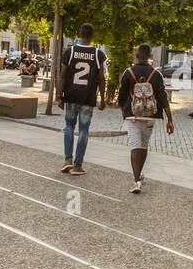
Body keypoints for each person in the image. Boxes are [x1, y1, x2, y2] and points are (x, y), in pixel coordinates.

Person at [117, 43, 172, 193]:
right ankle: (139, 174)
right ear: (149, 57)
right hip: (150, 115)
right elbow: (162, 97)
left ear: (137, 55)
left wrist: (123, 109)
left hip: (133, 115)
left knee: (135, 145)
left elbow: (121, 95)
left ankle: (136, 181)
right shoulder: (156, 74)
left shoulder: (128, 72)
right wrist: (170, 119)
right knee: (144, 145)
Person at [57, 23, 107, 176]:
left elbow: (63, 75)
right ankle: (78, 166)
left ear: (79, 35)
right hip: (88, 96)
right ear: (92, 36)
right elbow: (102, 78)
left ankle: (67, 160)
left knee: (69, 126)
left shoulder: (70, 51)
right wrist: (103, 98)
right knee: (84, 129)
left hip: (71, 95)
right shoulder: (98, 54)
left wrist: (60, 96)